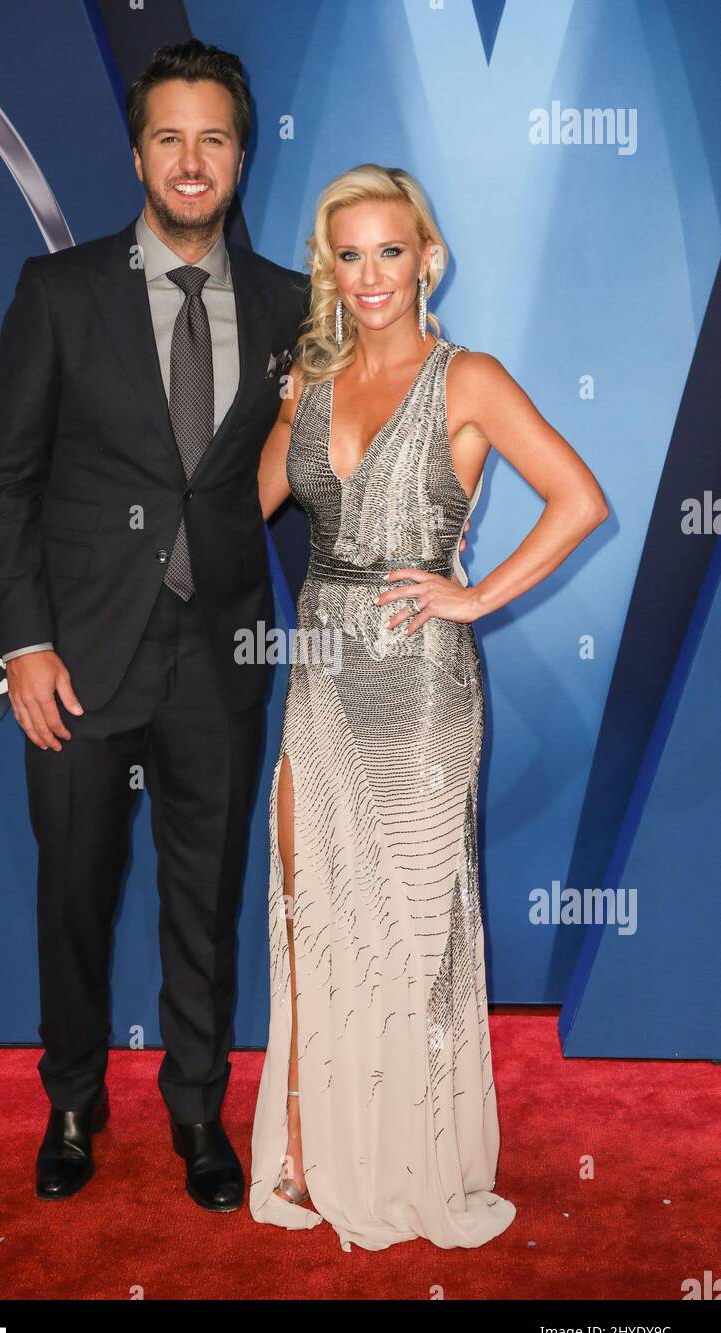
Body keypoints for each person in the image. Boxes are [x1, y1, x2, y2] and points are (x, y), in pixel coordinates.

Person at [250, 164, 609, 1251]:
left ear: (425, 259)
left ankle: (409, 1158)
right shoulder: (308, 386)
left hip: (417, 683)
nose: (369, 275)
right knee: (314, 910)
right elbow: (244, 500)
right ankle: (315, 1145)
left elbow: (579, 498)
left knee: (411, 930)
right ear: (329, 267)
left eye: (388, 251)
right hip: (319, 670)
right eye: (347, 254)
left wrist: (473, 592)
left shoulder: (469, 379)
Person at [0, 39, 310, 1210]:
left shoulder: (290, 308)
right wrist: (22, 643)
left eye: (211, 137)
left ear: (238, 153)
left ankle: (196, 1114)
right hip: (75, 657)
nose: (189, 159)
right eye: (168, 136)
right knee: (71, 891)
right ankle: (70, 1098)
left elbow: (307, 475)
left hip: (215, 658)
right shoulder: (56, 291)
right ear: (136, 154)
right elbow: (7, 481)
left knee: (203, 899)